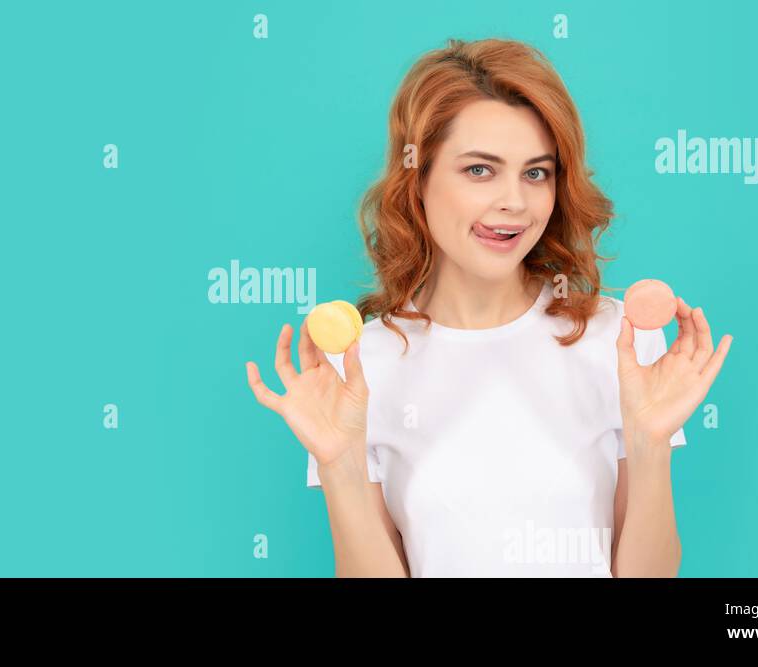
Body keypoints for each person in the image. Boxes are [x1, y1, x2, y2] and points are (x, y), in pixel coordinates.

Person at [244, 38, 732, 577]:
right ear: (418, 178)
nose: (515, 202)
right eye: (480, 170)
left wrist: (650, 442)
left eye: (536, 172)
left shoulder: (617, 340)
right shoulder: (362, 366)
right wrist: (338, 465)